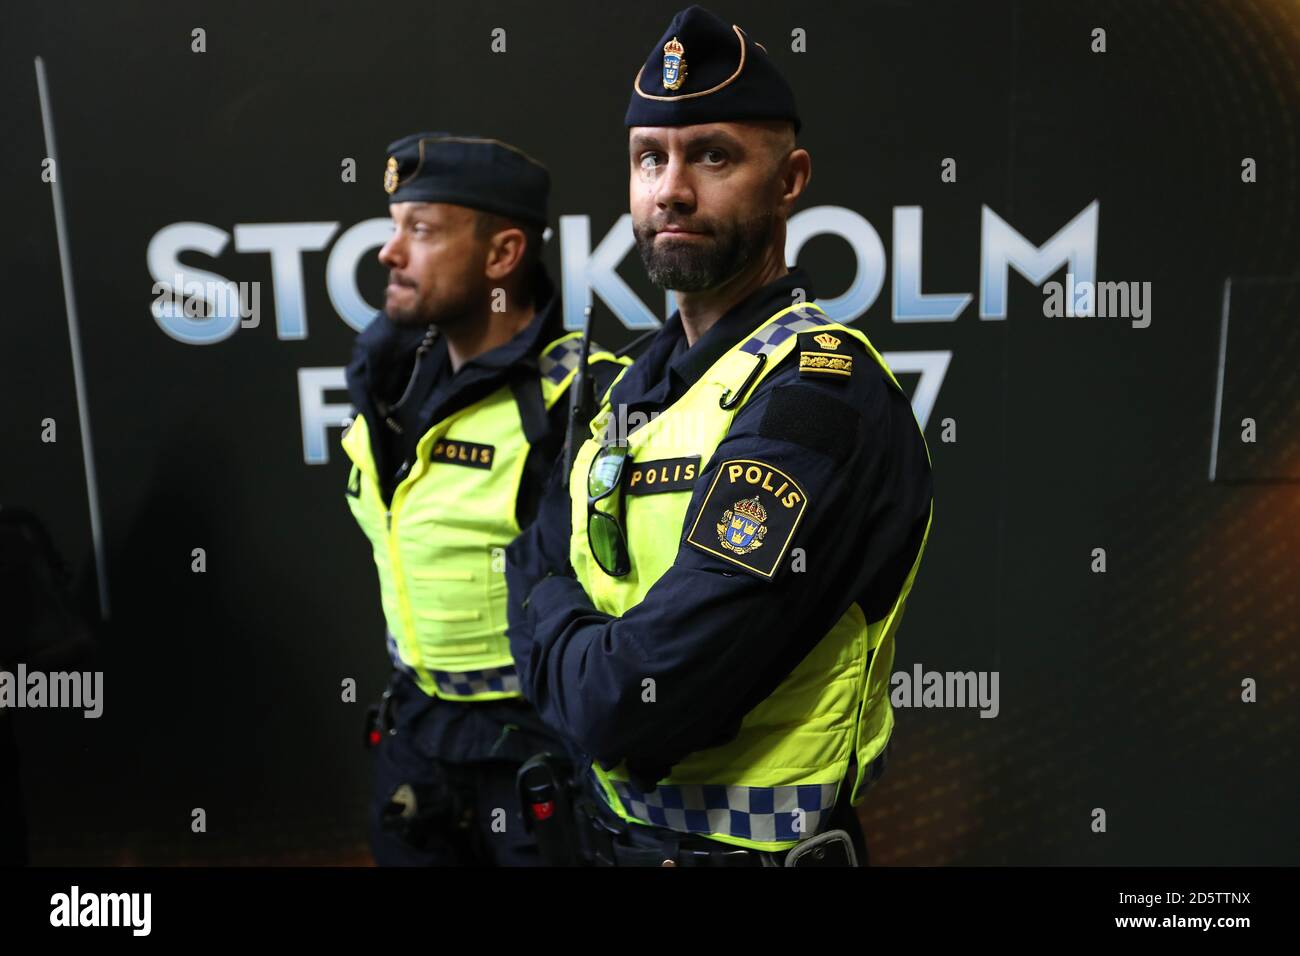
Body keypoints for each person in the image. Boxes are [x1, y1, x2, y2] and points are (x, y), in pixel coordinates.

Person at [505, 6, 934, 867]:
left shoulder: (818, 394)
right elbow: (527, 557)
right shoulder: (625, 385)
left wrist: (560, 636)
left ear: (790, 179)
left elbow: (625, 704)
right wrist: (575, 638)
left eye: (713, 155)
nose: (671, 189)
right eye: (648, 159)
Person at [342, 133, 623, 865]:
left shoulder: (582, 403)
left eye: (422, 230)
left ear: (502, 257)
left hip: (537, 755)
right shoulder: (389, 382)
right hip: (414, 736)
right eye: (393, 225)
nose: (389, 252)